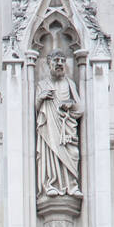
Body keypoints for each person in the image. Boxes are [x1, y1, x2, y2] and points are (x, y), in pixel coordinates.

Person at [35, 49, 83, 198]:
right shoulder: (43, 84)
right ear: (49, 63)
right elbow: (36, 109)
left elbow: (80, 108)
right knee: (49, 153)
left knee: (73, 154)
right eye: (56, 61)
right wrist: (41, 98)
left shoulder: (69, 83)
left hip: (66, 127)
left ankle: (72, 185)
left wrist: (69, 104)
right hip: (49, 128)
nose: (60, 64)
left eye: (62, 61)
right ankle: (50, 183)